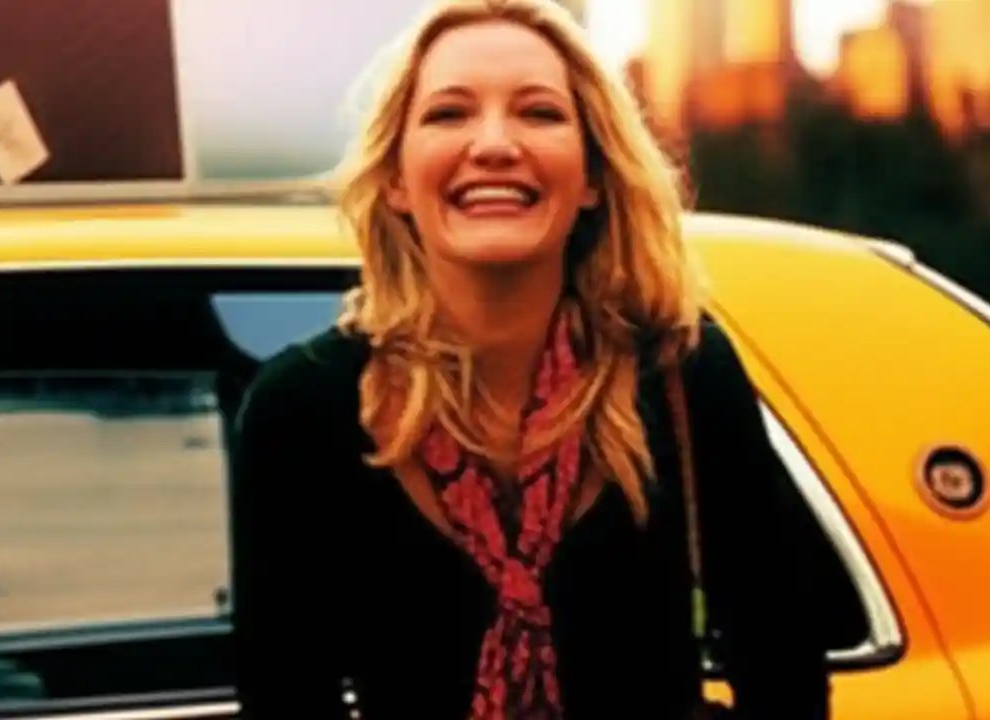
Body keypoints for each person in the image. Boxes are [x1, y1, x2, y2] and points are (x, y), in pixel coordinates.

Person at [230, 0, 836, 717]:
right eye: (449, 113)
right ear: (395, 178)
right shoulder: (302, 410)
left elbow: (783, 670)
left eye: (539, 113)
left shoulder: (683, 371)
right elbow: (284, 698)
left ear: (592, 176)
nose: (493, 144)